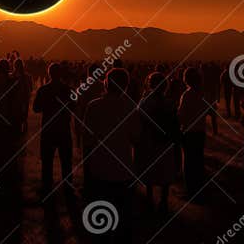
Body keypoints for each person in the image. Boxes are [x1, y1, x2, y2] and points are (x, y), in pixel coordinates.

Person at [83, 68, 139, 241]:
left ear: (106, 83)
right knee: (124, 219)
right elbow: (136, 138)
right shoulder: (131, 107)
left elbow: (87, 140)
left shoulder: (94, 106)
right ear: (125, 86)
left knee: (100, 219)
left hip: (99, 168)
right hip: (123, 168)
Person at [136, 71, 180, 213]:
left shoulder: (145, 102)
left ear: (150, 85)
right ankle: (163, 200)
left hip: (150, 139)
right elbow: (175, 122)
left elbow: (139, 121)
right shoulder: (170, 102)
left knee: (150, 170)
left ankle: (149, 198)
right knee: (165, 170)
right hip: (166, 140)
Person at [33, 62, 74, 197]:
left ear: (49, 74)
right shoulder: (67, 90)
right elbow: (73, 107)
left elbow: (36, 108)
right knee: (66, 161)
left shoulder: (44, 90)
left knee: (47, 161)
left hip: (49, 129)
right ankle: (68, 187)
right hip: (63, 129)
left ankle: (47, 187)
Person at [177, 67, 208, 198]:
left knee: (189, 163)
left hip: (189, 132)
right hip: (201, 131)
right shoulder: (202, 93)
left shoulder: (187, 94)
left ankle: (190, 190)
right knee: (199, 161)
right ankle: (200, 188)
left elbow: (181, 115)